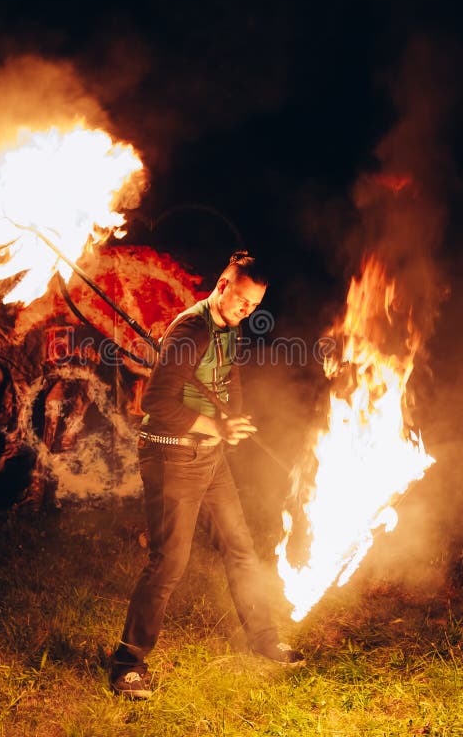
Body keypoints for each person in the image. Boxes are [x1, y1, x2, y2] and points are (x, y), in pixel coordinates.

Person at [109, 251, 304, 699]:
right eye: (242, 300)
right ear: (222, 286)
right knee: (169, 562)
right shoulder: (191, 329)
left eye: (254, 305)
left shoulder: (228, 329)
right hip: (172, 456)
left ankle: (263, 639)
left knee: (240, 547)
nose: (246, 310)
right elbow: (155, 402)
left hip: (210, 459)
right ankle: (127, 664)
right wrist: (216, 425)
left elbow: (229, 377)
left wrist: (232, 418)